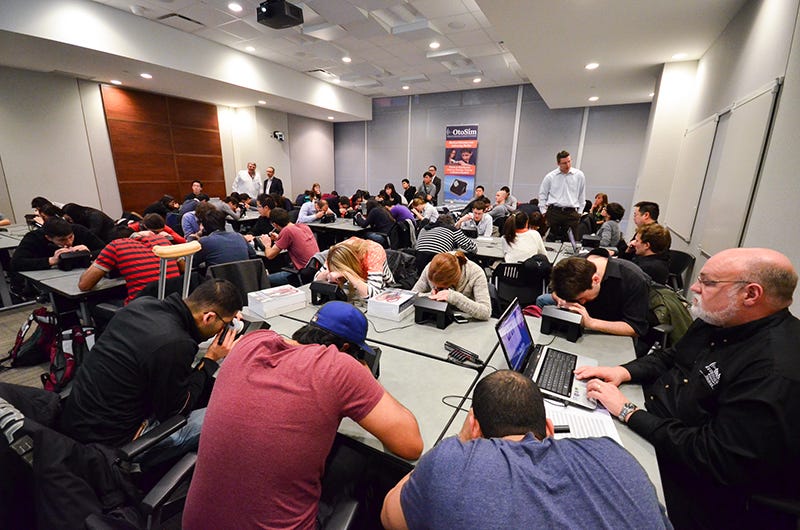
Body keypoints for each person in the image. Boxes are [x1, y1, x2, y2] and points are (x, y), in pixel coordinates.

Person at [576, 248, 800, 530]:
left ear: (751, 295)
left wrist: (627, 411)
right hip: (658, 427)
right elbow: (673, 356)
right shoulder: (720, 319)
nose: (693, 287)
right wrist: (623, 371)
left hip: (697, 487)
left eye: (708, 282)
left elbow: (713, 455)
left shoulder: (773, 371)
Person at [184, 301, 423, 529]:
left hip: (195, 522)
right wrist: (366, 379)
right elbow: (411, 445)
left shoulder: (251, 342)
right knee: (356, 480)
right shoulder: (339, 367)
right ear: (347, 349)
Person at [381, 370, 669, 530]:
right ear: (549, 427)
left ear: (475, 425)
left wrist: (460, 439)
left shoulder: (453, 464)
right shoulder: (615, 456)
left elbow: (389, 516)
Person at [61, 279, 243, 464]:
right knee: (232, 413)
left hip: (78, 421)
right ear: (209, 317)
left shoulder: (143, 304)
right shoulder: (175, 344)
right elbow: (177, 411)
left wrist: (225, 317)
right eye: (225, 324)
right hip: (115, 446)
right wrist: (210, 359)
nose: (223, 329)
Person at [547, 249, 650, 337]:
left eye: (581, 298)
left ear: (595, 280)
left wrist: (591, 323)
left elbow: (636, 328)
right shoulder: (569, 266)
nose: (582, 303)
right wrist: (560, 299)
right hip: (575, 331)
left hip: (613, 339)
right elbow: (554, 292)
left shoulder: (633, 279)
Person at [78, 224, 179, 303]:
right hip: (174, 303)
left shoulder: (115, 245)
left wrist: (101, 258)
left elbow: (84, 285)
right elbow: (182, 268)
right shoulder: (162, 240)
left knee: (93, 301)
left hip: (142, 311)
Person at [413, 251, 491, 320]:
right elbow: (410, 297)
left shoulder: (476, 273)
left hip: (466, 324)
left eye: (441, 287)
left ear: (455, 280)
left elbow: (486, 312)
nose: (437, 288)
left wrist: (454, 297)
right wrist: (430, 296)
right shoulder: (431, 268)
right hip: (436, 319)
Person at [10, 217, 105, 271]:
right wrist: (51, 260)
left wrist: (89, 254)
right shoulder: (33, 238)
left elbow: (106, 250)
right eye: (62, 240)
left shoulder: (79, 230)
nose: (69, 242)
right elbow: (16, 263)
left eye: (71, 237)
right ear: (48, 238)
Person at [315, 236, 394, 299]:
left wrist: (346, 273)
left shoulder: (373, 251)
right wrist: (327, 273)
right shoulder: (336, 254)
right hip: (352, 288)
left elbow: (372, 294)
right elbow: (315, 281)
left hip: (383, 286)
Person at [257, 207, 319, 286]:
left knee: (263, 280)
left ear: (274, 224)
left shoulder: (287, 231)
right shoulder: (303, 226)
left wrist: (267, 244)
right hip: (314, 270)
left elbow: (269, 255)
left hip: (302, 274)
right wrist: (280, 238)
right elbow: (296, 242)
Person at [538, 150, 586, 241]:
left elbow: (581, 195)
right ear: (558, 163)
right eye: (564, 163)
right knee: (550, 241)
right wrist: (543, 211)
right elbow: (542, 195)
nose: (568, 165)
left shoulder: (579, 175)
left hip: (571, 213)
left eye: (569, 161)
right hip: (554, 212)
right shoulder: (550, 177)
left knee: (571, 242)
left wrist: (579, 212)